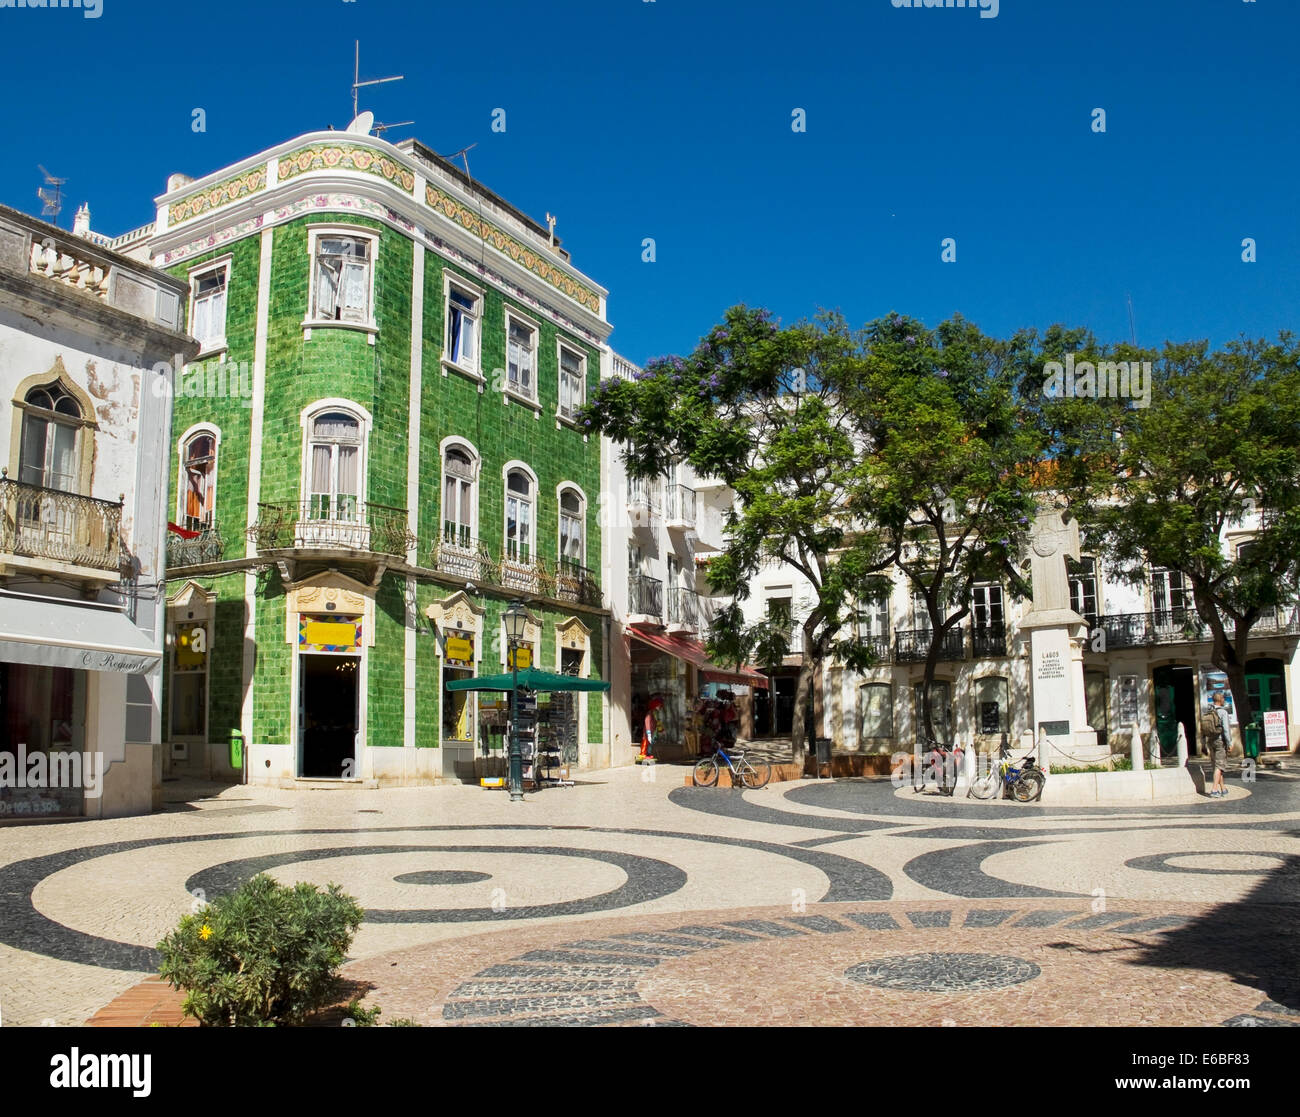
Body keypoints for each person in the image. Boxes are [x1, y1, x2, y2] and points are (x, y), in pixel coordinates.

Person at [1200, 691, 1231, 798]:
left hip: (1210, 741)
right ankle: (1214, 789)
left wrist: (1203, 744)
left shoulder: (1208, 711)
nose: (1224, 700)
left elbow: (1203, 729)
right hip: (1220, 741)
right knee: (1219, 766)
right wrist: (1229, 743)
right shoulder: (1223, 712)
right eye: (1223, 698)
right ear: (1220, 699)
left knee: (1216, 765)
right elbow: (1226, 730)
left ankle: (1223, 789)